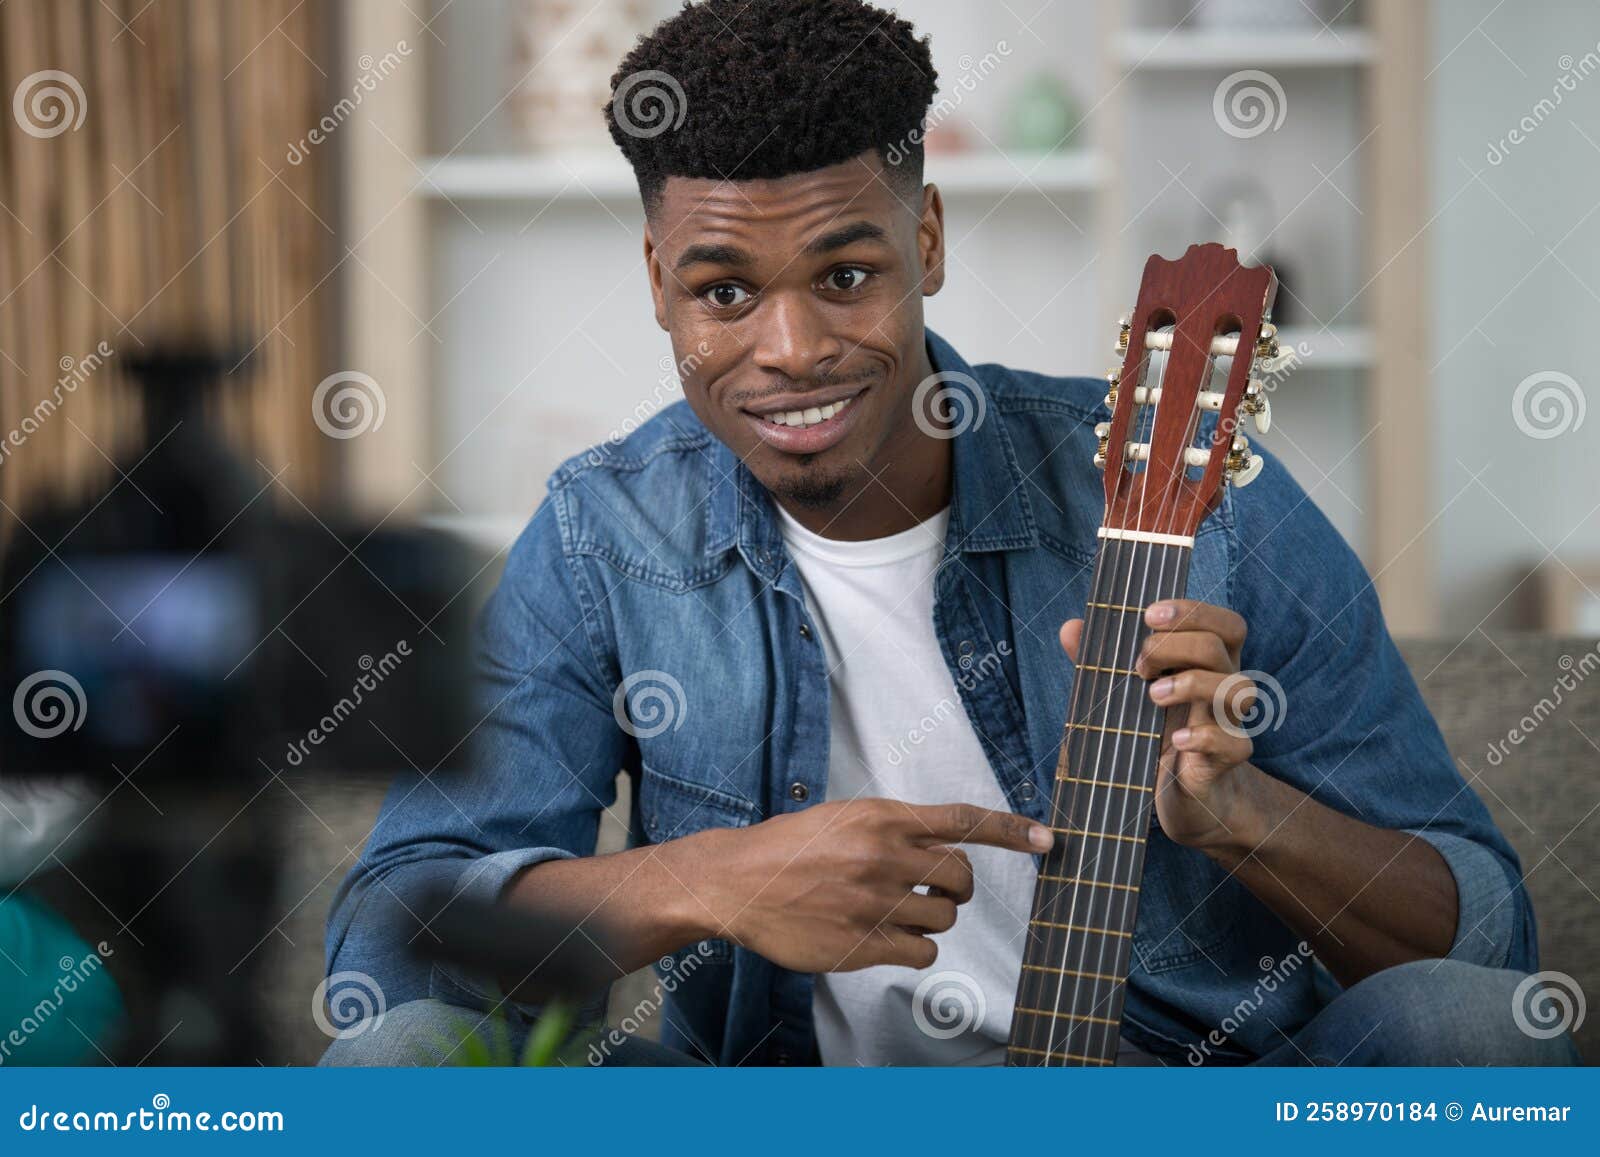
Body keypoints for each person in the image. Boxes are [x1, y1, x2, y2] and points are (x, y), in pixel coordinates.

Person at [323, 0, 1575, 1067]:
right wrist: (710, 880)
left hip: (1172, 1093)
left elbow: (1488, 938)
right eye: (723, 292)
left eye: (847, 274)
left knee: (1478, 1027)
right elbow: (390, 943)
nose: (793, 348)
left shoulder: (1188, 485)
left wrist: (1244, 814)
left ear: (925, 239)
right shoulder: (605, 531)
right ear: (657, 281)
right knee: (400, 1059)